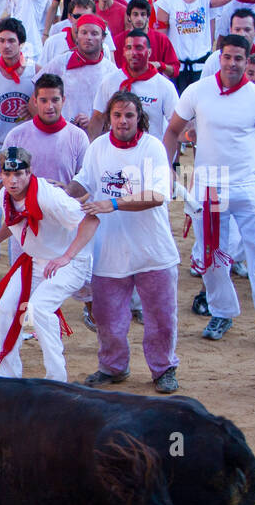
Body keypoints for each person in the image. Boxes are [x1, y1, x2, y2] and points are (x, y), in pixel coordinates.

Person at [163, 33, 255, 342]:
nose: (232, 63)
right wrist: (167, 170)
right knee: (212, 255)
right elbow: (172, 132)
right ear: (219, 57)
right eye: (228, 57)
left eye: (239, 58)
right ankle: (221, 312)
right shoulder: (197, 91)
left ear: (247, 61)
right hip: (210, 186)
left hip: (247, 185)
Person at [64, 90, 181, 393]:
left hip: (152, 250)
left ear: (139, 117)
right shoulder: (98, 147)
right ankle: (113, 366)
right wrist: (58, 193)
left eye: (129, 115)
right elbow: (84, 181)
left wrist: (111, 204)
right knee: (108, 318)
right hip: (109, 250)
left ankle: (164, 368)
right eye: (116, 115)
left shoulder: (153, 147)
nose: (122, 121)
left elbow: (157, 195)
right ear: (109, 117)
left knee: (160, 318)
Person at [0, 145, 90, 383]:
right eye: (7, 174)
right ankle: (5, 377)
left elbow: (89, 220)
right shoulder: (5, 195)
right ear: (0, 174)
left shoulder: (49, 196)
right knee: (7, 308)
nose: (13, 181)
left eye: (19, 174)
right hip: (35, 262)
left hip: (69, 262)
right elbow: (13, 222)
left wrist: (67, 257)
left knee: (39, 309)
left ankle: (56, 379)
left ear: (29, 172)